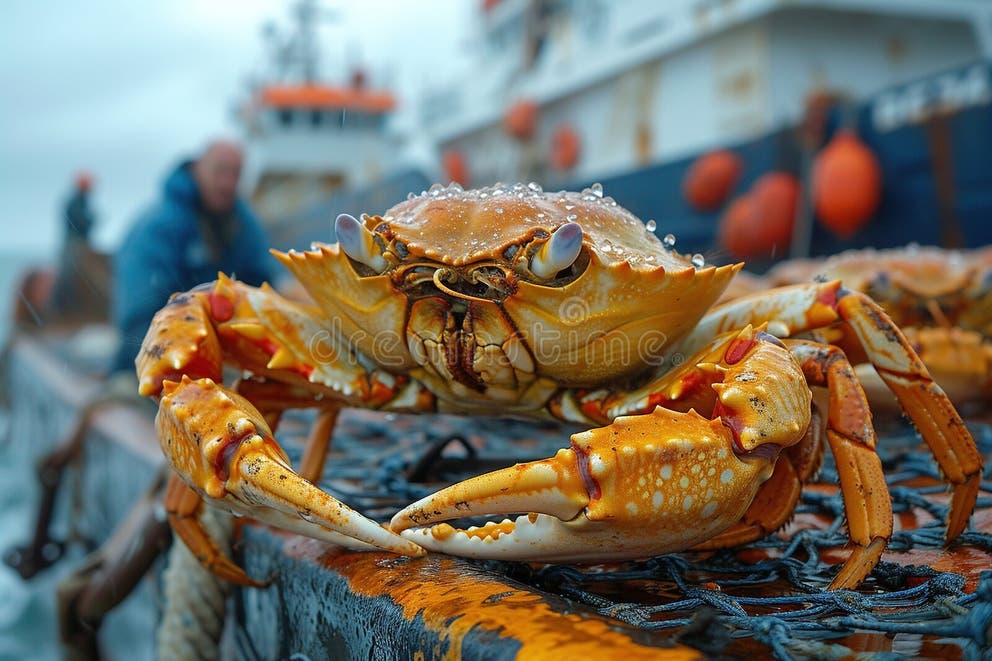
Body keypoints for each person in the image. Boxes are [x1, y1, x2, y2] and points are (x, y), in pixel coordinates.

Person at [110, 140, 277, 374]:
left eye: (235, 174)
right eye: (220, 171)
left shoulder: (245, 225)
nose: (227, 183)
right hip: (154, 355)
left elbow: (264, 289)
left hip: (219, 356)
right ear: (198, 169)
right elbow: (139, 314)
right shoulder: (158, 227)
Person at [48, 171, 111, 323]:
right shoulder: (75, 202)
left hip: (77, 243)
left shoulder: (80, 201)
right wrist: (92, 219)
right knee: (69, 275)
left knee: (73, 275)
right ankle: (63, 309)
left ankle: (65, 309)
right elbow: (80, 223)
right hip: (74, 244)